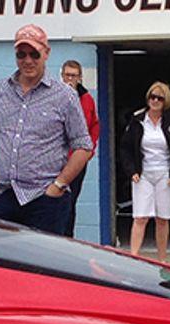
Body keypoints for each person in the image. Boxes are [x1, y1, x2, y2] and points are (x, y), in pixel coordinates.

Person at [0, 24, 93, 235]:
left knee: (44, 264)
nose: (28, 60)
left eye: (34, 54)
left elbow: (83, 146)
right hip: (2, 197)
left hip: (45, 201)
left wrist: (58, 185)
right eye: (21, 54)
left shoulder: (65, 96)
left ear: (46, 53)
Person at [120, 81, 170, 262]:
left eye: (159, 98)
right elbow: (125, 148)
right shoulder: (137, 121)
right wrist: (131, 170)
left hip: (165, 175)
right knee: (140, 217)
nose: (155, 101)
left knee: (162, 219)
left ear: (166, 101)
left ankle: (162, 260)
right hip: (143, 174)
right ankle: (133, 257)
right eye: (152, 97)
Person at [60, 59, 100, 236]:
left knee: (70, 202)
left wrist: (87, 153)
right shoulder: (53, 97)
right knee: (55, 201)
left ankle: (68, 237)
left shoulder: (86, 99)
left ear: (80, 78)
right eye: (67, 75)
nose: (70, 79)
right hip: (56, 161)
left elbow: (94, 127)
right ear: (62, 76)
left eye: (74, 75)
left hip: (77, 160)